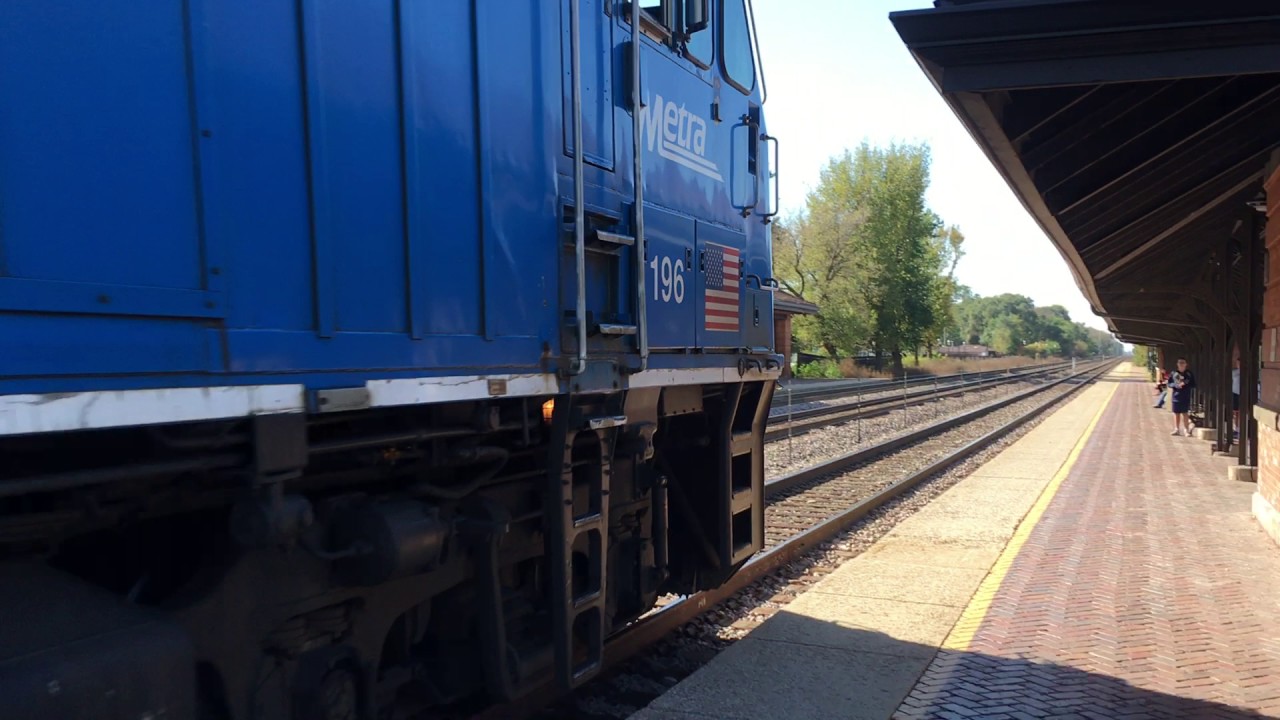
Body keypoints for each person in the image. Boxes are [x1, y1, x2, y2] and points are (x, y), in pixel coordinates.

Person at [1168, 358, 1196, 436]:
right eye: (1180, 363)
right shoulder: (1174, 373)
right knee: (1176, 413)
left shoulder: (1189, 374)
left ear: (1186, 364)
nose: (1181, 364)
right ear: (1177, 364)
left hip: (1185, 396)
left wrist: (1186, 384)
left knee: (1185, 413)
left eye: (1183, 363)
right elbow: (1169, 384)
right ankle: (1176, 429)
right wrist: (1176, 385)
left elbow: (1193, 384)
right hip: (1176, 396)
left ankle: (1186, 430)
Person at [1232, 358, 1241, 440]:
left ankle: (1241, 429)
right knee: (1235, 412)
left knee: (1241, 412)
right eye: (1237, 363)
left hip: (1242, 394)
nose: (1238, 365)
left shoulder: (1246, 372)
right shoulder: (1234, 372)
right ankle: (1236, 429)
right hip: (1235, 393)